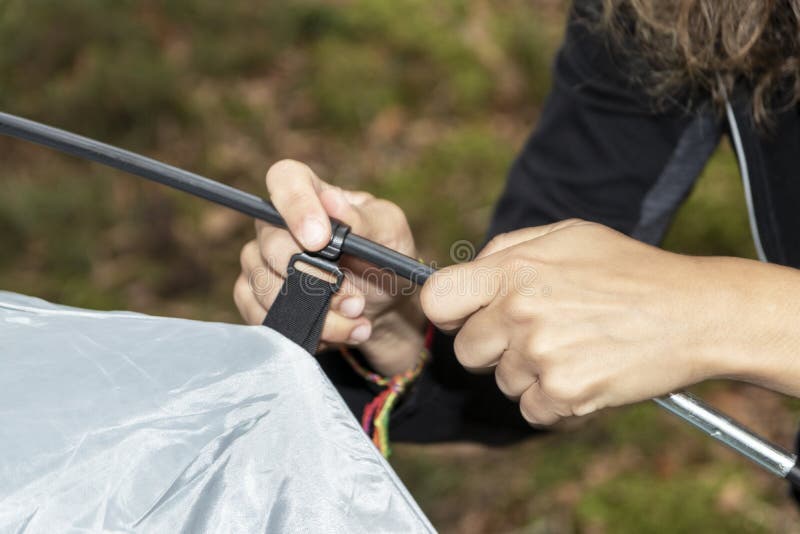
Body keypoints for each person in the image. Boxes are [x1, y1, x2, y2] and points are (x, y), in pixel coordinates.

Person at [234, 0, 800, 446]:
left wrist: (719, 311)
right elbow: (541, 335)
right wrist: (388, 315)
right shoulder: (665, 12)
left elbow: (654, 309)